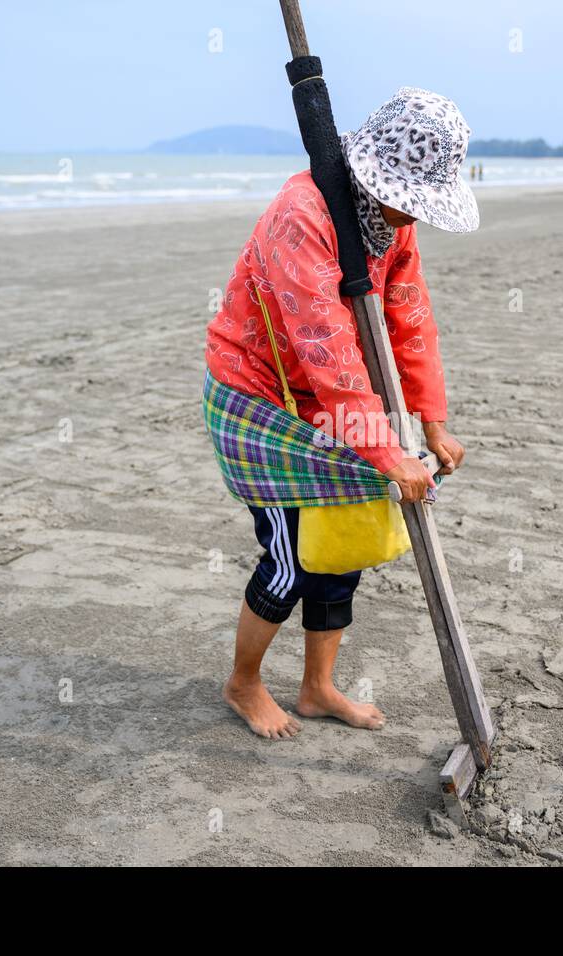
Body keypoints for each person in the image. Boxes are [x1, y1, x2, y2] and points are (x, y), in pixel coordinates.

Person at [203, 88, 479, 739]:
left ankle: (317, 687)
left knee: (341, 547)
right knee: (291, 557)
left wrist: (431, 420)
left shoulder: (392, 226)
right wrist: (389, 454)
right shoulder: (302, 217)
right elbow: (328, 351)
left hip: (337, 404)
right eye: (406, 197)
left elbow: (408, 321)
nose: (412, 214)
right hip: (262, 401)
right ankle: (243, 683)